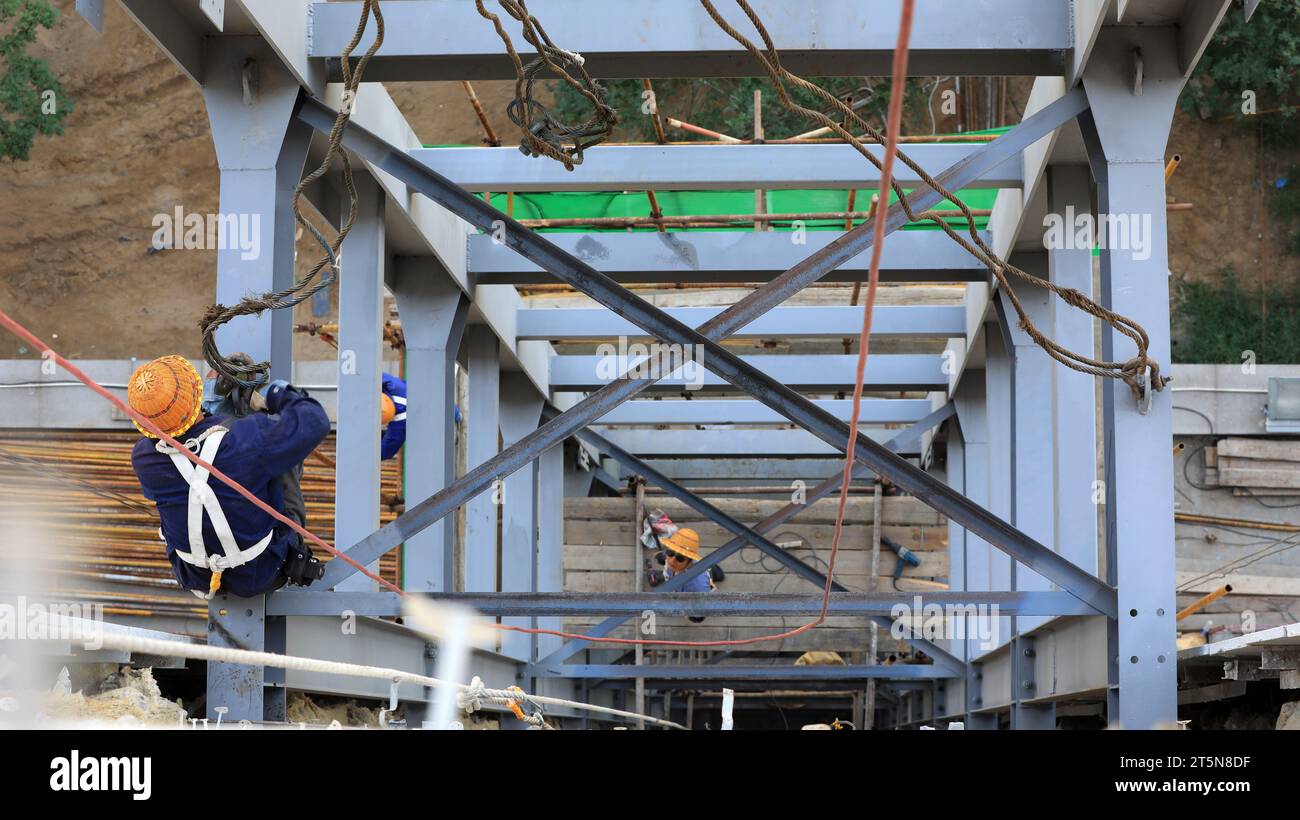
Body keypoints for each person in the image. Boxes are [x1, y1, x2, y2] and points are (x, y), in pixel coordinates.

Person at [128, 355, 331, 600]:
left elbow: (192, 442)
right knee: (278, 457)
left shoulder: (144, 458)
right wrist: (273, 392)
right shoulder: (248, 438)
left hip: (197, 577)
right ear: (196, 394)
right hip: (263, 571)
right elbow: (314, 420)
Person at [645, 527, 714, 623]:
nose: (672, 560)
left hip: (691, 597)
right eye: (670, 552)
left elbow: (701, 610)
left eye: (680, 558)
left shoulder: (697, 585)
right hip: (678, 583)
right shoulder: (671, 560)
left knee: (696, 618)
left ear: (690, 561)